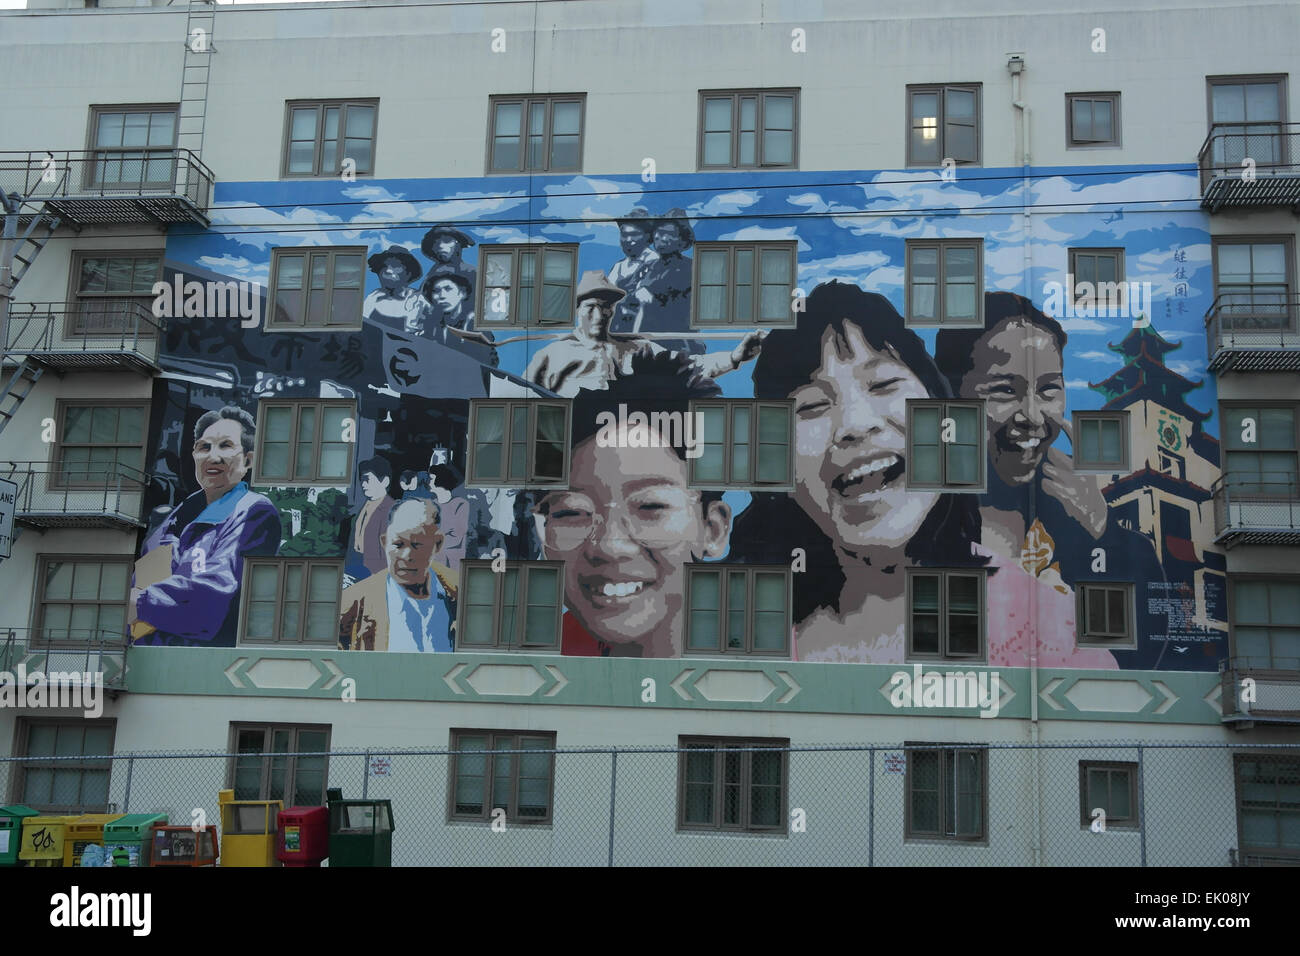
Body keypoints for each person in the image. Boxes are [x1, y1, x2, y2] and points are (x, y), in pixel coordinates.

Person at [728, 281, 1115, 668]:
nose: (855, 424)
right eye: (811, 406)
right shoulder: (738, 622)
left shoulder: (1051, 632)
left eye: (882, 384)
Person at [935, 291, 1165, 667]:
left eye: (1048, 390)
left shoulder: (1079, 505)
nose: (1033, 416)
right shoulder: (914, 506)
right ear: (952, 397)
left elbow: (1138, 658)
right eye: (1005, 391)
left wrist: (1101, 530)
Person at [534, 351, 734, 658]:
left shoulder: (768, 657)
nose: (609, 545)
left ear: (713, 530)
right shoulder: (537, 657)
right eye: (571, 511)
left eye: (650, 507)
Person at [132, 406, 282, 647]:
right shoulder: (177, 517)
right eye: (204, 447)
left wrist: (139, 604)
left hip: (203, 667)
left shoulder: (254, 511)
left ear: (248, 460)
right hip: (148, 660)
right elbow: (140, 582)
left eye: (226, 446)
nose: (213, 457)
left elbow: (208, 602)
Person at [524, 271, 764, 397]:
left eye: (606, 306)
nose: (600, 315)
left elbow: (690, 367)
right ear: (577, 311)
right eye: (591, 308)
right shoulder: (552, 355)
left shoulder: (636, 350)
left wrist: (735, 356)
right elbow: (522, 403)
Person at [338, 497, 457, 652]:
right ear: (385, 541)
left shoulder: (458, 592)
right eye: (398, 544)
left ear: (438, 543)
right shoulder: (353, 605)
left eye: (417, 545)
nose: (407, 555)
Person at [619, 208, 697, 348]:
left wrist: (649, 295)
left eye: (669, 234)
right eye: (659, 232)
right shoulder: (647, 267)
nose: (662, 238)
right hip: (642, 340)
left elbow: (675, 301)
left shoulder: (689, 267)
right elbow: (627, 294)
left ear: (682, 241)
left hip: (675, 341)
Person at [424, 265, 497, 366]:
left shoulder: (472, 323)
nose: (442, 296)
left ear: (462, 293)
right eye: (436, 291)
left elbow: (487, 362)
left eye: (448, 289)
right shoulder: (433, 324)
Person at [607, 207, 658, 329]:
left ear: (647, 237)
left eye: (634, 234)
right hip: (618, 324)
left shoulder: (655, 261)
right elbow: (608, 295)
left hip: (645, 325)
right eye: (624, 235)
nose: (628, 240)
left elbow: (647, 297)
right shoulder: (619, 266)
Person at [362, 246, 433, 334]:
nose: (388, 271)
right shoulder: (373, 297)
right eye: (384, 266)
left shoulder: (417, 301)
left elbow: (417, 335)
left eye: (395, 266)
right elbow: (363, 325)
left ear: (408, 273)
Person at [352, 456, 396, 577]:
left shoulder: (391, 509)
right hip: (359, 566)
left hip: (377, 572)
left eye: (368, 480)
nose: (363, 484)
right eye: (362, 480)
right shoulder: (365, 506)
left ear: (384, 481)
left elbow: (389, 550)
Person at [427, 462, 469, 569]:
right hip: (432, 560)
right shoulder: (431, 504)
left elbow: (457, 536)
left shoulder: (460, 504)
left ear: (440, 480)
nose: (428, 482)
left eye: (431, 479)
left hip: (452, 561)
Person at [418, 224, 476, 297]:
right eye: (436, 242)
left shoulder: (471, 272)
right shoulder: (431, 274)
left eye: (447, 240)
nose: (440, 246)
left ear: (459, 244)